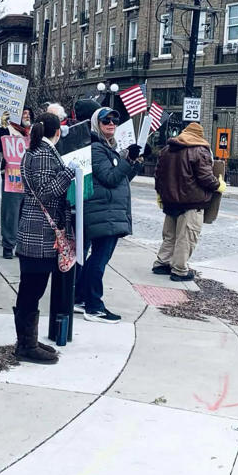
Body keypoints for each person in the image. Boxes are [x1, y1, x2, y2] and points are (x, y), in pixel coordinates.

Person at [12, 112, 75, 365]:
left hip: (34, 230)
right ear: (57, 131)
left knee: (31, 288)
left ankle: (28, 340)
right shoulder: (43, 154)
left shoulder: (35, 151)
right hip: (39, 233)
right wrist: (68, 173)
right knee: (32, 289)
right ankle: (25, 345)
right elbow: (46, 192)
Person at [76, 107, 142, 323]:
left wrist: (134, 162)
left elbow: (120, 180)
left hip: (107, 212)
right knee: (98, 260)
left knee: (95, 259)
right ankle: (94, 306)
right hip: (103, 214)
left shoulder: (108, 147)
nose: (112, 124)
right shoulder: (96, 148)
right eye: (106, 121)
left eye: (115, 121)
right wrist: (127, 159)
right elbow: (110, 177)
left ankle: (80, 299)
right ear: (97, 124)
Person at [153, 121, 226, 281]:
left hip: (170, 202)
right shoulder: (200, 150)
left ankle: (161, 263)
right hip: (192, 203)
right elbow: (206, 178)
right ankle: (179, 270)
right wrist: (218, 185)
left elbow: (158, 175)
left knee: (170, 236)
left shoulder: (166, 150)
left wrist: (160, 194)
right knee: (186, 237)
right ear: (199, 136)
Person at [0, 106, 33, 259]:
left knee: (26, 213)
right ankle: (8, 245)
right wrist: (2, 128)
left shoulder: (32, 132)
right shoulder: (8, 130)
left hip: (29, 179)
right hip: (12, 177)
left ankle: (21, 245)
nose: (27, 116)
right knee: (11, 213)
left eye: (29, 114)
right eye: (24, 114)